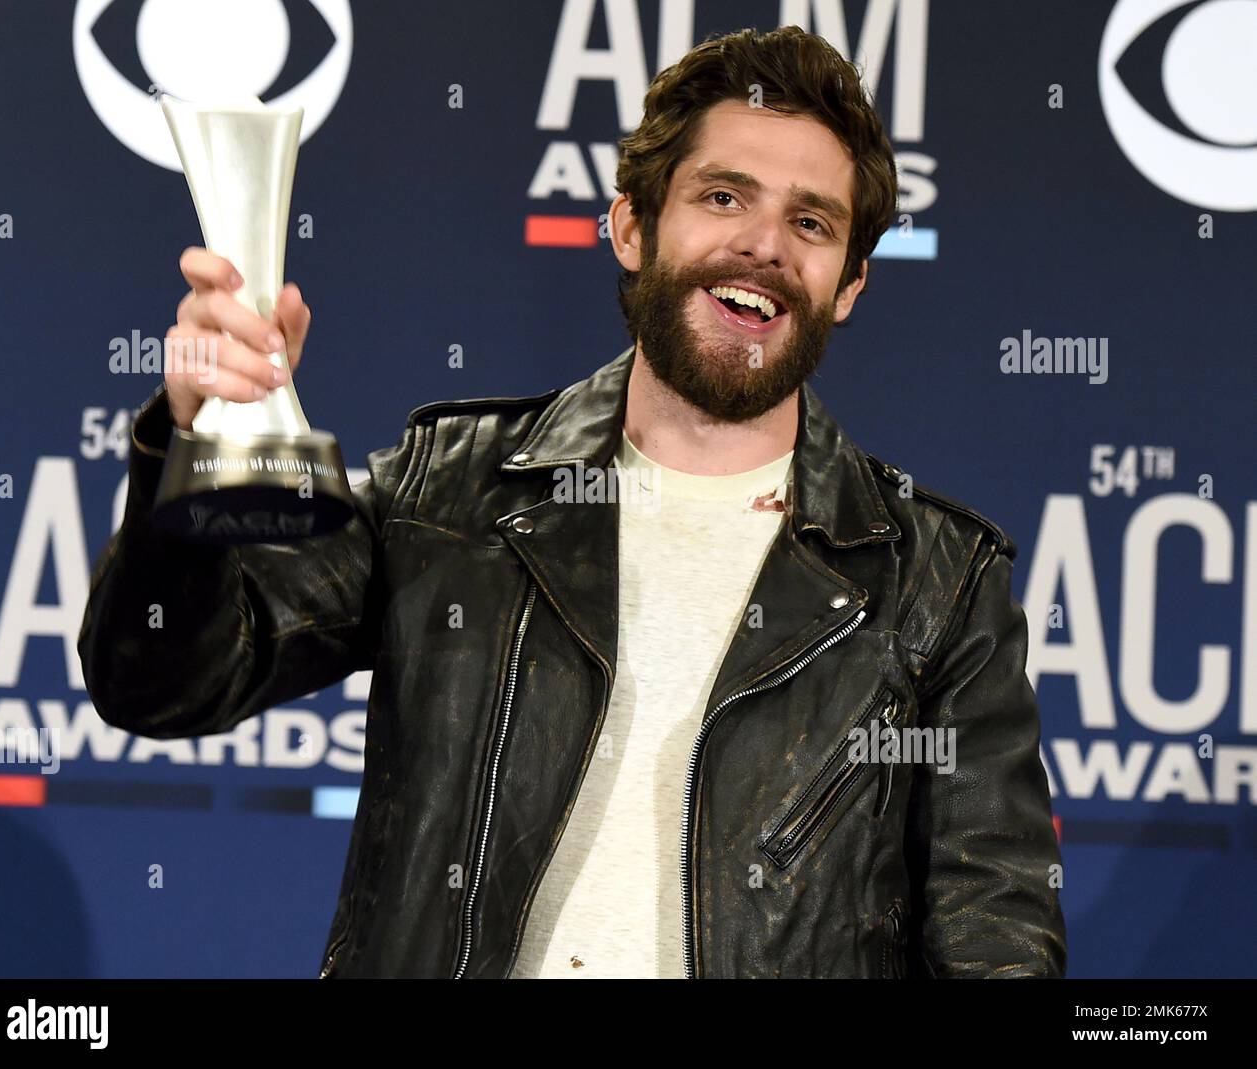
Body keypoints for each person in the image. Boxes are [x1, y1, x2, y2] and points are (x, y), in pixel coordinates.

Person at [78, 25, 1066, 978]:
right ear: (632, 226)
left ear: (848, 284)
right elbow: (163, 680)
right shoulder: (452, 488)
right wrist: (193, 444)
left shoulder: (936, 583)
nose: (763, 244)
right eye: (723, 196)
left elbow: (996, 941)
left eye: (810, 222)